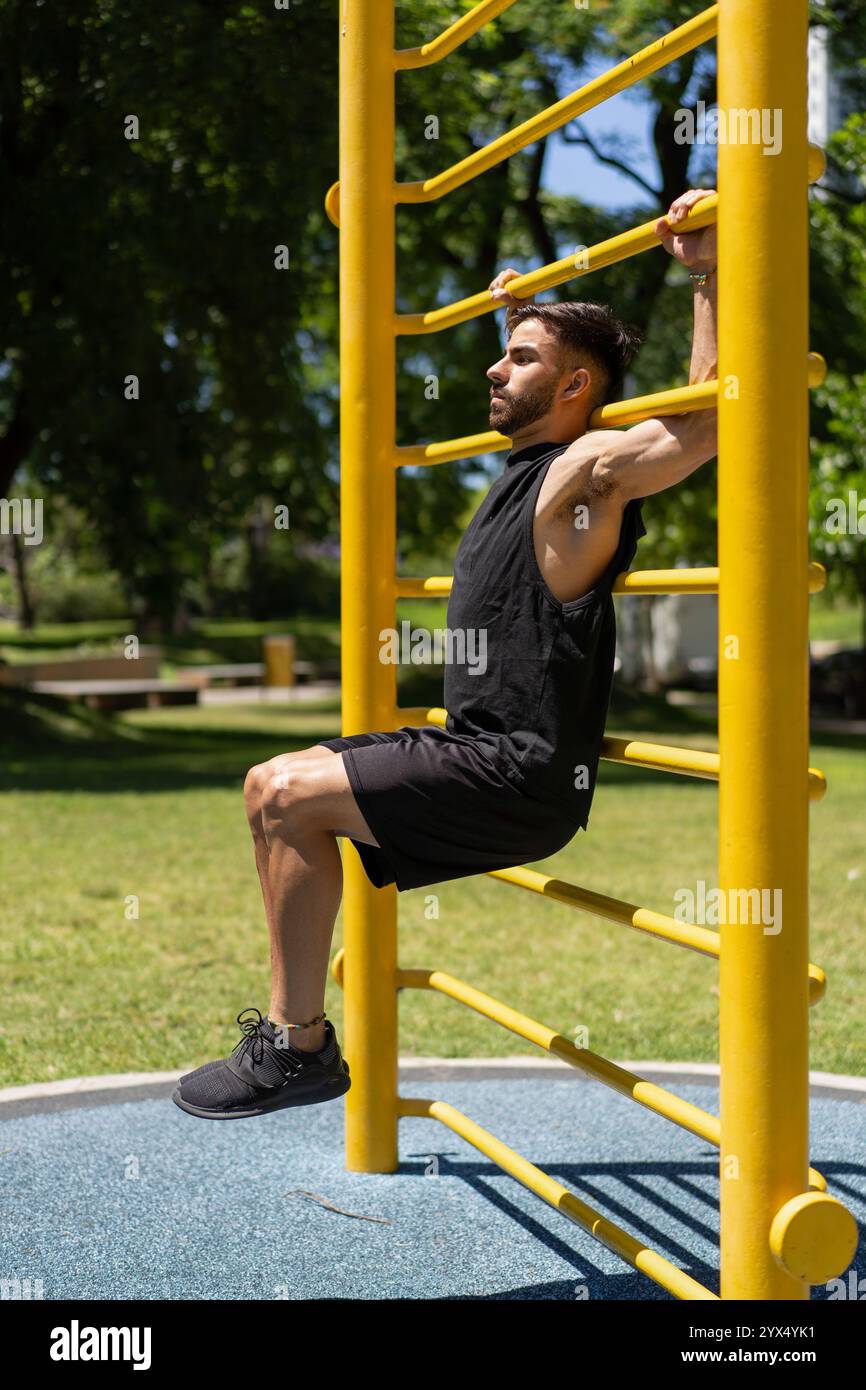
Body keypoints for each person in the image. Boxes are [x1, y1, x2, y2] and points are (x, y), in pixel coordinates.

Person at [173, 188, 718, 1121]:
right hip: (479, 749)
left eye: (519, 358)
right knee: (271, 785)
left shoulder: (582, 475)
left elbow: (705, 425)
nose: (491, 370)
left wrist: (710, 270)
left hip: (516, 775)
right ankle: (294, 1044)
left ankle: (298, 1048)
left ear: (577, 387)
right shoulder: (528, 473)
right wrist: (527, 313)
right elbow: (568, 385)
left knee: (289, 794)